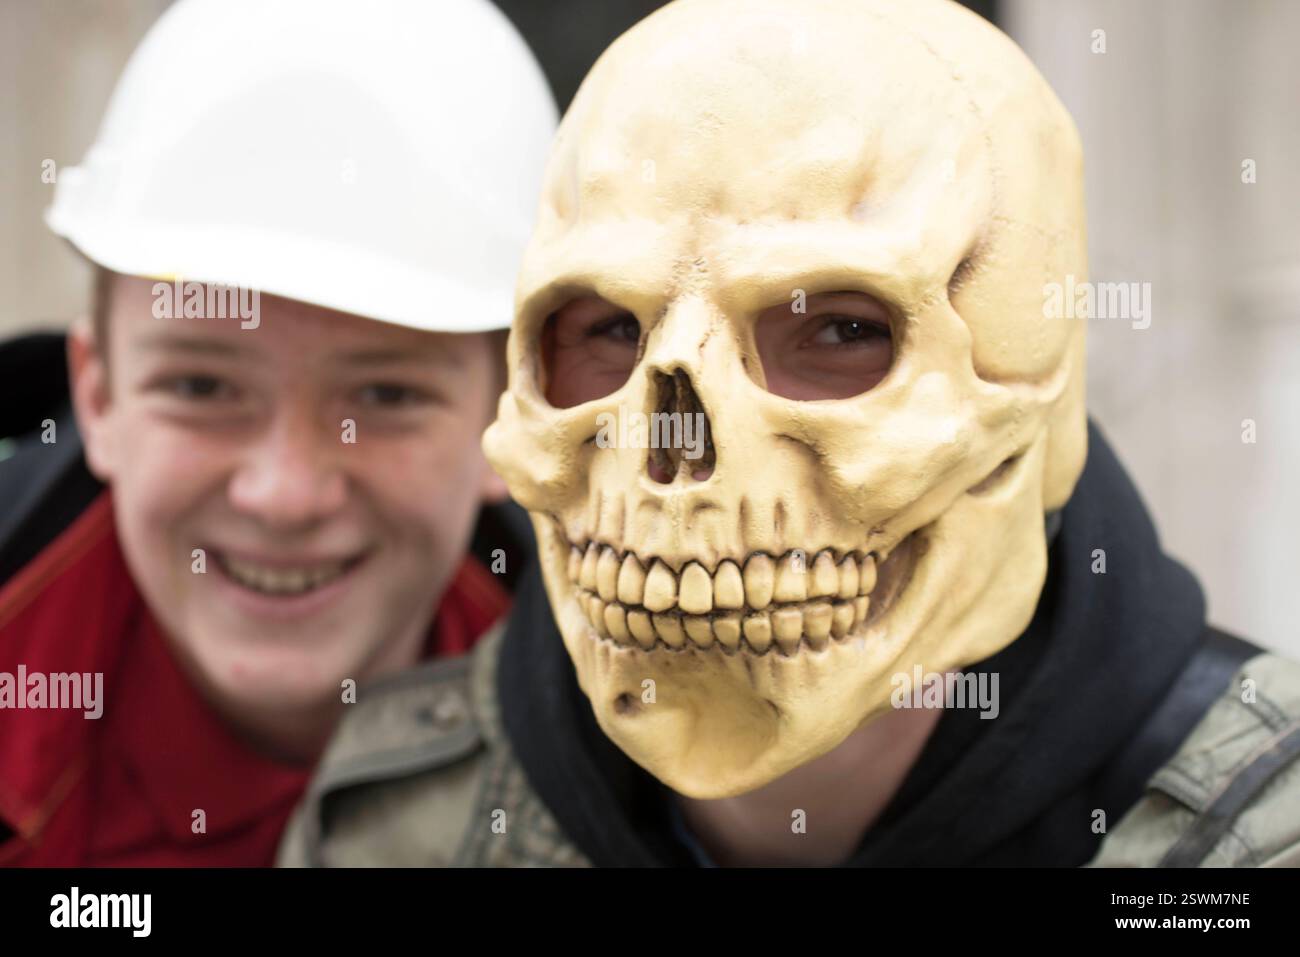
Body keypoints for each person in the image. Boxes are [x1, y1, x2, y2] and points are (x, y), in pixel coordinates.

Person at [280, 0, 1300, 868]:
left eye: (844, 331)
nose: (673, 454)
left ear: (1032, 402)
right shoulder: (385, 827)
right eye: (608, 331)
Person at [0, 0, 556, 865]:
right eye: (202, 385)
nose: (286, 491)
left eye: (385, 393)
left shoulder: (630, 740)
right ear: (97, 396)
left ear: (511, 418)